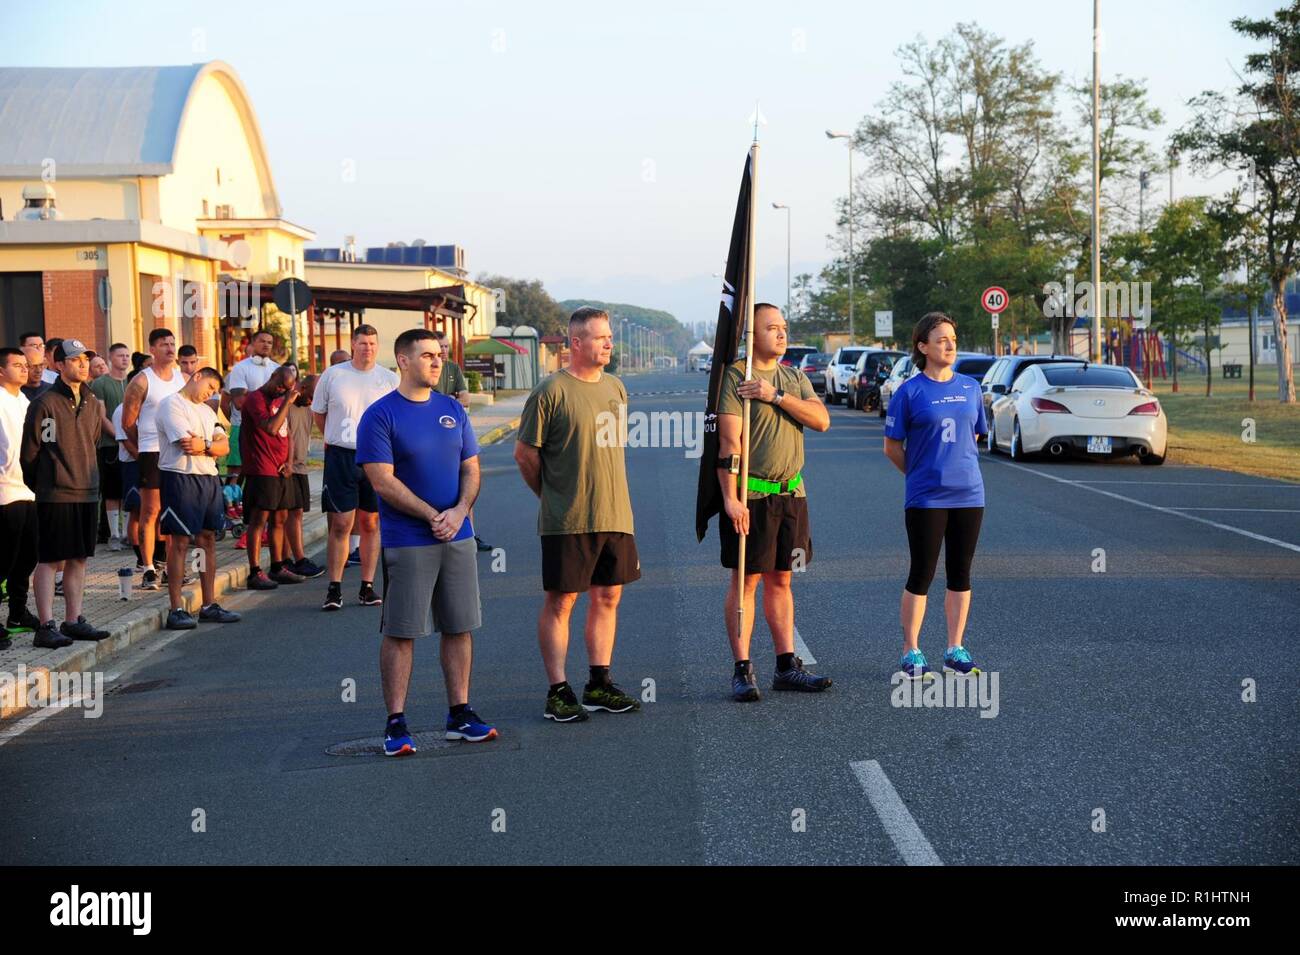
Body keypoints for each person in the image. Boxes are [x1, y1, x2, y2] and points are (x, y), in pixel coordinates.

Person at [358, 328, 495, 755]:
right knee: (403, 631)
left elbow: (471, 469)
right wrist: (431, 515)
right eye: (427, 355)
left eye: (439, 355)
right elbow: (382, 479)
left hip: (458, 534)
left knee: (459, 626)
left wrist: (457, 513)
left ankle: (460, 713)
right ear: (403, 361)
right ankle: (396, 723)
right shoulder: (380, 415)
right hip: (408, 539)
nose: (437, 362)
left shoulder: (453, 409)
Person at [513, 307, 641, 723]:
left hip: (615, 514)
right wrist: (551, 496)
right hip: (568, 519)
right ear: (575, 343)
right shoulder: (550, 391)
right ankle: (558, 691)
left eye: (609, 337)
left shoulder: (617, 388)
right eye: (600, 337)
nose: (609, 343)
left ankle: (598, 684)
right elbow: (525, 454)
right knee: (563, 600)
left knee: (608, 596)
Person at [716, 303, 833, 701]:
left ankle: (787, 667)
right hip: (752, 496)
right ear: (752, 335)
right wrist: (731, 499)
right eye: (772, 328)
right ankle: (743, 670)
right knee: (746, 581)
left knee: (782, 578)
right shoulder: (736, 377)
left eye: (784, 328)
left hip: (792, 494)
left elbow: (821, 420)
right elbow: (729, 444)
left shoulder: (793, 377)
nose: (781, 335)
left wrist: (775, 395)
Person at [883, 312, 987, 680]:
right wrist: (921, 474)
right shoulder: (909, 392)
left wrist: (956, 468)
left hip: (969, 495)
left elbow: (973, 436)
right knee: (922, 573)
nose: (949, 344)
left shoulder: (971, 388)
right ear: (922, 346)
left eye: (953, 338)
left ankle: (954, 648)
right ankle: (911, 651)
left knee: (961, 573)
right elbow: (892, 446)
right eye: (941, 339)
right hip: (926, 497)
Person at [19, 339, 110, 647]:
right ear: (59, 365)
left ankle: (74, 620)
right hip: (56, 494)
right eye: (74, 359)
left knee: (78, 558)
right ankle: (46, 625)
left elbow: (94, 442)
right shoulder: (45, 403)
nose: (82, 364)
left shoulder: (92, 400)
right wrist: (47, 483)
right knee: (49, 559)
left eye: (85, 358)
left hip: (87, 491)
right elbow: (31, 454)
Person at [312, 324, 398, 612]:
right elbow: (318, 413)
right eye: (362, 343)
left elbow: (397, 419)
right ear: (353, 345)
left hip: (376, 458)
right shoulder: (334, 375)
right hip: (341, 456)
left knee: (371, 523)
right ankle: (334, 589)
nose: (368, 349)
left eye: (373, 344)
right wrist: (333, 437)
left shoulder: (388, 379)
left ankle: (367, 586)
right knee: (341, 524)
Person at [155, 368, 242, 630]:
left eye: (215, 390)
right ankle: (176, 608)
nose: (211, 393)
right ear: (196, 377)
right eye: (210, 385)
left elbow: (222, 447)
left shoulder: (206, 411)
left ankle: (208, 604)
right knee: (180, 542)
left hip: (208, 479)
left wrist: (207, 445)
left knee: (206, 541)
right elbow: (186, 443)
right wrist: (209, 445)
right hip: (180, 477)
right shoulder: (171, 404)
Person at [121, 329, 185, 591]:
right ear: (152, 349)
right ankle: (148, 568)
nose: (170, 349)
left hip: (175, 451)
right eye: (163, 345)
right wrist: (144, 447)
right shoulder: (141, 380)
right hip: (151, 450)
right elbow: (127, 422)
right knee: (150, 511)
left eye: (172, 344)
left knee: (171, 513)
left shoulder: (180, 378)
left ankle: (171, 567)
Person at [239, 363, 303, 588]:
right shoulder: (255, 399)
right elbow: (271, 428)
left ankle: (277, 567)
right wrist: (287, 400)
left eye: (286, 389)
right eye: (280, 386)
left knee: (280, 518)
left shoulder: (280, 399)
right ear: (273, 375)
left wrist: (288, 462)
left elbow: (288, 435)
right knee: (259, 520)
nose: (281, 391)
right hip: (261, 468)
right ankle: (255, 572)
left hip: (280, 468)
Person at [432, 330, 493, 554]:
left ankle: (470, 534)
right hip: (432, 438)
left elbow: (465, 397)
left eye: (447, 346)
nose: (444, 351)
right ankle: (441, 532)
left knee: (466, 483)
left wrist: (451, 400)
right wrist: (449, 400)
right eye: (440, 347)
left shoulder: (452, 368)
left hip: (455, 433)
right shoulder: (428, 370)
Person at [0, 348, 40, 646]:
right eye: (17, 365)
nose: (25, 369)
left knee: (26, 558)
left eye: (25, 365)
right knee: (4, 558)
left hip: (29, 490)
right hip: (4, 490)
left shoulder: (25, 400)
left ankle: (17, 614)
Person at [222, 329, 280, 481]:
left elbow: (281, 401)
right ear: (253, 343)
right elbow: (239, 402)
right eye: (262, 341)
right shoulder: (240, 368)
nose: (266, 345)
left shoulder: (277, 369)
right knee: (236, 470)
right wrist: (235, 420)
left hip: (269, 427)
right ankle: (231, 503)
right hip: (242, 426)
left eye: (269, 342)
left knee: (265, 469)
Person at [90, 342, 131, 551]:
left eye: (127, 355)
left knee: (127, 489)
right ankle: (114, 535)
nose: (124, 359)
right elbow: (101, 415)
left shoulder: (134, 381)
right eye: (120, 355)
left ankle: (126, 533)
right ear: (110, 358)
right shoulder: (100, 383)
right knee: (112, 491)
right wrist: (120, 436)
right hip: (110, 445)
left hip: (132, 445)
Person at [284, 374, 323, 579]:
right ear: (303, 387)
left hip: (301, 465)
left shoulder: (307, 407)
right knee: (291, 513)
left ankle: (290, 558)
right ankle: (296, 559)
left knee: (296, 513)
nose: (312, 401)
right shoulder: (287, 403)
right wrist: (288, 462)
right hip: (287, 466)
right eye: (311, 396)